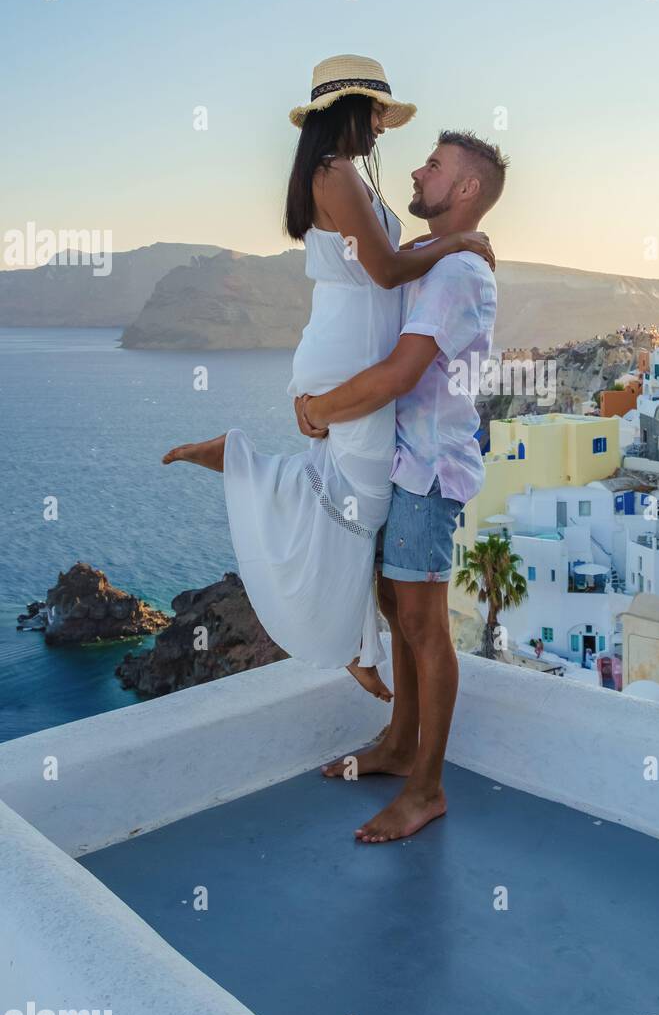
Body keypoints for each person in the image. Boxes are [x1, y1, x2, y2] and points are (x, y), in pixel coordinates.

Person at [161, 55, 493, 701]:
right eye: (375, 114)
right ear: (349, 110)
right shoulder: (334, 174)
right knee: (362, 502)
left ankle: (356, 638)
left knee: (348, 498)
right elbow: (390, 272)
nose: (381, 128)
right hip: (345, 357)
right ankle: (350, 639)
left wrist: (451, 246)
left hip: (347, 350)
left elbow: (391, 261)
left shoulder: (341, 175)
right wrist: (458, 243)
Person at [298, 131, 506, 843]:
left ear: (467, 190)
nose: (418, 170)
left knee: (424, 628)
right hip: (400, 462)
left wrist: (320, 410)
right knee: (396, 609)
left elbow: (398, 375)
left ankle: (427, 789)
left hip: (427, 470)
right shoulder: (436, 263)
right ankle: (396, 745)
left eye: (436, 166)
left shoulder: (457, 279)